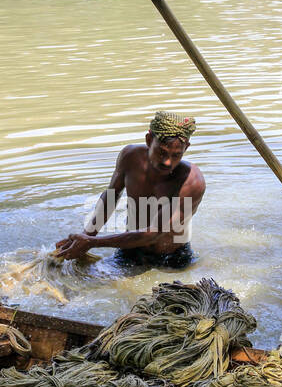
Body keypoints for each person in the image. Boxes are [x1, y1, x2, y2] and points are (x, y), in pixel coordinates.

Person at [55, 112, 204, 271]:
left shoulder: (192, 182)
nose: (167, 162)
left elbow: (155, 233)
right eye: (161, 152)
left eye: (176, 155)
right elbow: (111, 198)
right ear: (148, 140)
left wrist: (93, 242)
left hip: (171, 258)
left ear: (186, 148)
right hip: (130, 249)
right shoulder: (130, 157)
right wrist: (86, 237)